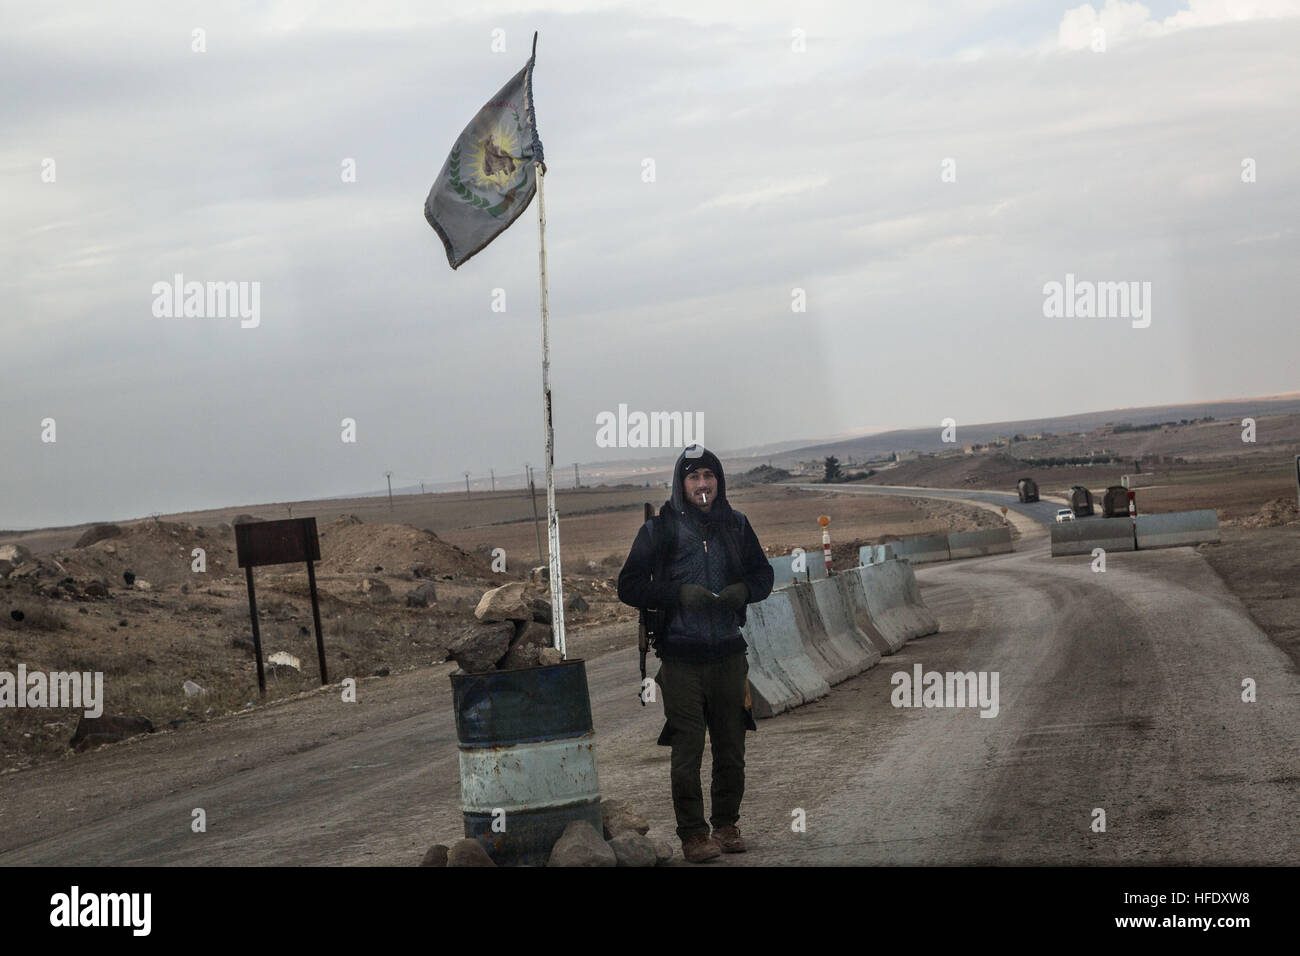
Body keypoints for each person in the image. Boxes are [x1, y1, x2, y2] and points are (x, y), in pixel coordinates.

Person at [617, 444, 774, 863]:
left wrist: (745, 590)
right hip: (681, 659)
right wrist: (677, 594)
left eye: (709, 476)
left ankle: (726, 825)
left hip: (728, 654)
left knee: (731, 748)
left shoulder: (737, 525)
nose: (702, 485)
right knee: (687, 751)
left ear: (718, 481)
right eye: (693, 477)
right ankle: (692, 834)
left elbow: (764, 575)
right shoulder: (659, 530)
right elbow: (628, 586)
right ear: (681, 483)